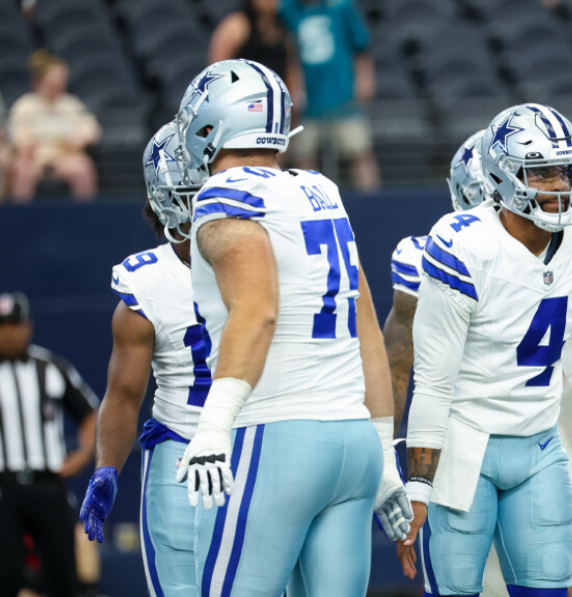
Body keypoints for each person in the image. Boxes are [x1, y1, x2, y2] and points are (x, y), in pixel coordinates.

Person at [173, 58, 409, 595]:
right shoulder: (319, 189)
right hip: (353, 441)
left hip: (276, 436)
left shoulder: (225, 195)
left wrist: (214, 425)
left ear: (213, 122)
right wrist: (382, 453)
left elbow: (257, 310)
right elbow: (365, 329)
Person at [383, 129, 572, 597]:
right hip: (464, 447)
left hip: (540, 439)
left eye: (562, 172)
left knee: (565, 587)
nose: (557, 187)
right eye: (540, 174)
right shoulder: (458, 247)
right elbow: (419, 378)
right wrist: (408, 477)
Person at [77, 122, 210, 596]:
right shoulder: (149, 284)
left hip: (260, 447)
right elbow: (123, 396)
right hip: (182, 453)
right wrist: (106, 468)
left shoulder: (273, 255)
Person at [0, 291, 99, 597]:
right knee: (2, 574)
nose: (7, 333)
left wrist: (84, 454)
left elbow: (90, 413)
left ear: (28, 327)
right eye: (0, 326)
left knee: (62, 570)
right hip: (1, 486)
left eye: (14, 325)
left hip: (48, 483)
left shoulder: (51, 367)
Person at [279, 0, 380, 191]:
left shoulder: (341, 6)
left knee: (359, 151)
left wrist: (365, 79)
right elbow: (285, 51)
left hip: (343, 97)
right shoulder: (287, 10)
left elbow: (361, 47)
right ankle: (311, 201)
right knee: (304, 156)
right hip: (306, 103)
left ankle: (371, 202)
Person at [7, 50, 101, 202]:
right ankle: (20, 214)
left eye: (61, 79)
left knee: (83, 168)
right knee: (23, 171)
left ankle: (86, 214)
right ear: (40, 81)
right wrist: (24, 144)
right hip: (34, 157)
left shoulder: (70, 104)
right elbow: (17, 132)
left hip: (65, 156)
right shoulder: (25, 105)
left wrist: (77, 141)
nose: (58, 84)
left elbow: (91, 129)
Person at [208, 0, 304, 125]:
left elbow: (290, 68)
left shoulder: (283, 27)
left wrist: (293, 105)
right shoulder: (238, 24)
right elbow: (216, 68)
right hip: (243, 110)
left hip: (275, 110)